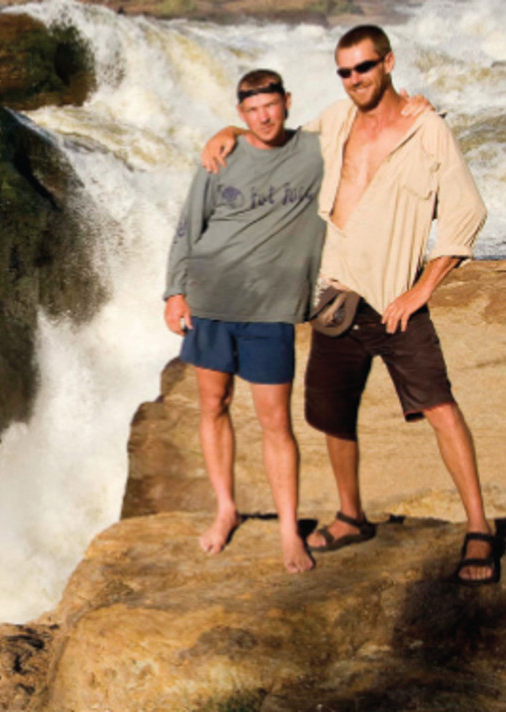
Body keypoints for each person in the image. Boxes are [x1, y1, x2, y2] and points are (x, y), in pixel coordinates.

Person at [204, 25, 498, 583]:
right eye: (344, 71)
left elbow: (467, 212)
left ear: (388, 62)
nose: (354, 79)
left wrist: (422, 289)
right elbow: (281, 144)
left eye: (363, 67)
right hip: (335, 299)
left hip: (393, 301)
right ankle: (350, 516)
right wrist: (230, 130)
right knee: (333, 414)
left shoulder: (427, 130)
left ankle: (479, 527)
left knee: (440, 408)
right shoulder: (336, 120)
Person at [164, 69, 323, 574]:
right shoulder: (222, 157)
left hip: (271, 310)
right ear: (240, 114)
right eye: (252, 111)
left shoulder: (317, 151)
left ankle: (288, 528)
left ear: (287, 101)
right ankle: (225, 509)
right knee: (213, 405)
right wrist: (174, 292)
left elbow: (370, 127)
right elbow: (189, 226)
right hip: (210, 301)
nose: (264, 117)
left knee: (276, 421)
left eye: (271, 105)